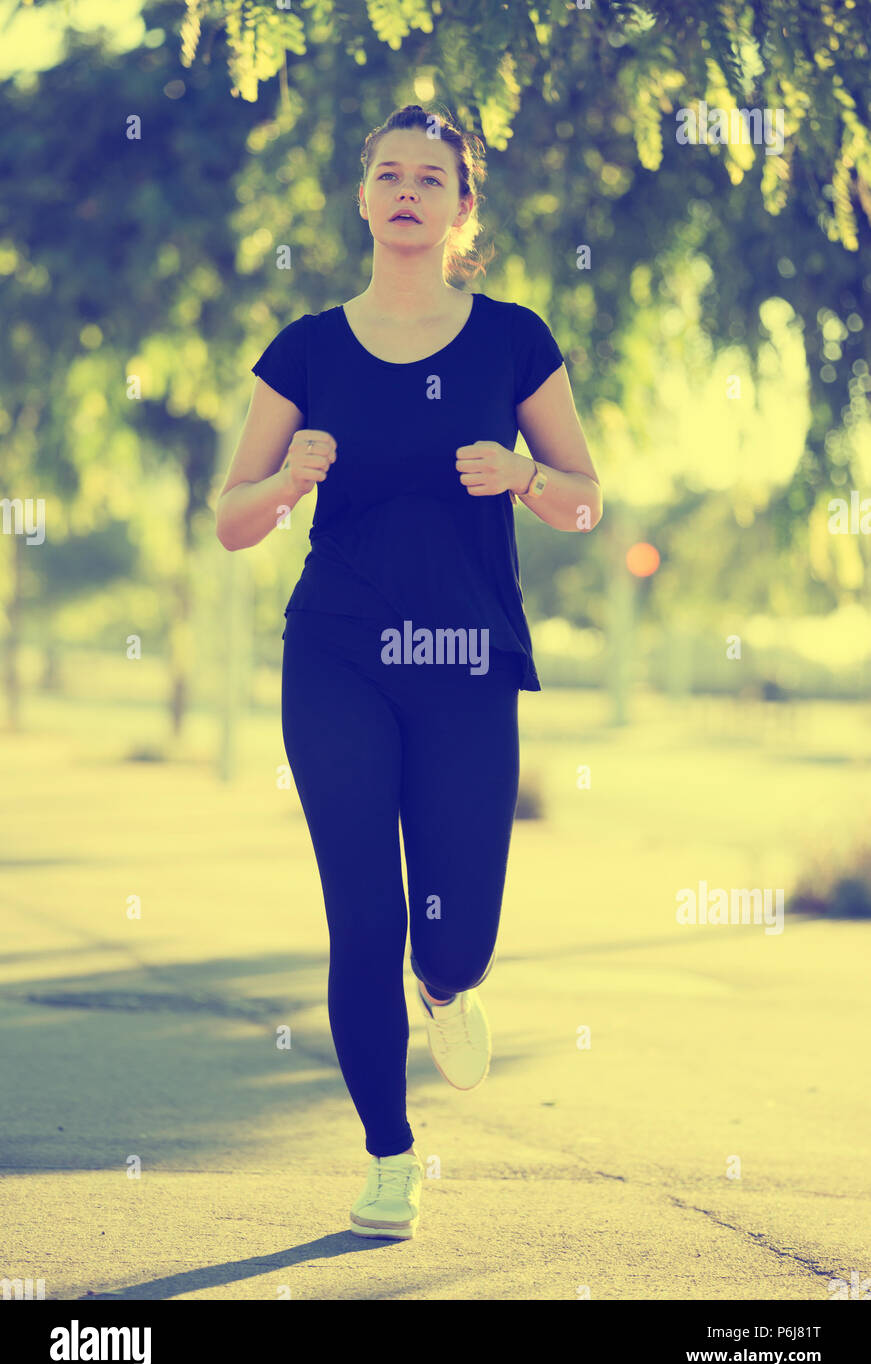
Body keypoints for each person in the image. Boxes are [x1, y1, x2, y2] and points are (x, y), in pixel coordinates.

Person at [216, 103, 602, 1240]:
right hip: (337, 653)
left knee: (455, 932)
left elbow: (587, 496)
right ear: (361, 197)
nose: (404, 192)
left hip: (465, 659)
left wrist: (523, 474)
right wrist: (287, 480)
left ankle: (447, 986)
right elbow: (231, 520)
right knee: (360, 916)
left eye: (429, 178)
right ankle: (391, 1155)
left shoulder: (512, 339)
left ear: (460, 208)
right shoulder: (305, 350)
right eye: (386, 173)